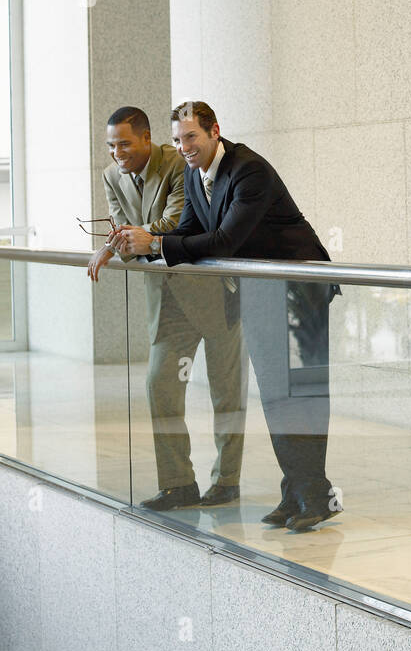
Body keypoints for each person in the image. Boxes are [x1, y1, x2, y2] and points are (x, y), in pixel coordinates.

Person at [113, 101, 341, 533]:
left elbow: (224, 240)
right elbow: (187, 231)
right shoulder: (193, 174)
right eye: (178, 140)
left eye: (192, 137)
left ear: (214, 131)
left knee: (303, 394)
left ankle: (316, 495)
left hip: (301, 289)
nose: (184, 147)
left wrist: (156, 246)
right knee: (276, 395)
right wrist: (152, 239)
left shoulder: (248, 170)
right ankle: (296, 491)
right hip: (262, 292)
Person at [88, 105, 246, 511]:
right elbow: (124, 235)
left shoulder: (179, 162)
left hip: (211, 293)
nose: (117, 153)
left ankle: (227, 480)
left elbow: (178, 224)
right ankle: (178, 483)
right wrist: (117, 244)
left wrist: (131, 240)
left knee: (226, 391)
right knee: (159, 385)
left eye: (124, 143)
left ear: (145, 138)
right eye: (110, 146)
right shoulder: (111, 176)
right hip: (166, 297)